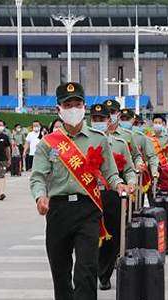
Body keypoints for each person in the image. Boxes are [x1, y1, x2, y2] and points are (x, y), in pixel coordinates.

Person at [30, 82, 131, 300]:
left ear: (84, 106)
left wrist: (119, 184)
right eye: (68, 104)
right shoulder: (48, 143)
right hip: (58, 211)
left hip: (88, 209)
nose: (73, 109)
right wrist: (40, 197)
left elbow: (111, 173)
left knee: (86, 270)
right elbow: (37, 176)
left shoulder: (98, 138)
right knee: (60, 271)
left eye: (77, 103)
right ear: (59, 109)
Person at [89, 104, 137, 291]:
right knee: (89, 237)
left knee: (112, 236)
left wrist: (131, 182)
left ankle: (105, 273)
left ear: (109, 121)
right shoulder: (79, 143)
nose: (99, 122)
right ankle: (91, 271)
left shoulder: (120, 142)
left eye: (102, 119)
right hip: (89, 196)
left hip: (111, 195)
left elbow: (129, 169)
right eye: (95, 119)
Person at [103, 100, 144, 171]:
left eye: (112, 112)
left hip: (124, 175)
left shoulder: (128, 135)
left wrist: (138, 164)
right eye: (107, 112)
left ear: (118, 115)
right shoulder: (97, 134)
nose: (109, 115)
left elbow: (136, 155)